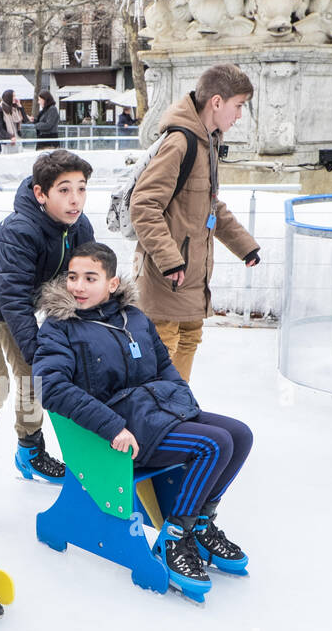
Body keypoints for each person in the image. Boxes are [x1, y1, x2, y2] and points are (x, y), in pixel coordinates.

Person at [33, 243, 253, 599]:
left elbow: (164, 366)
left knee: (239, 435)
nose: (78, 286)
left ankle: (200, 523)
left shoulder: (133, 318)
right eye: (72, 277)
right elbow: (51, 388)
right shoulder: (60, 328)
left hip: (156, 413)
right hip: (116, 433)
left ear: (112, 283)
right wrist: (112, 427)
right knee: (214, 445)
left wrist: (183, 403)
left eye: (90, 278)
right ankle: (175, 538)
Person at [0, 149, 95, 503]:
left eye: (81, 188)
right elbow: (12, 298)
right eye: (64, 190)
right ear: (40, 193)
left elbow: (86, 282)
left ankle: (30, 450)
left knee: (33, 374)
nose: (75, 199)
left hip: (18, 303)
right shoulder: (22, 229)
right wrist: (39, 351)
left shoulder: (80, 227)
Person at [129, 64, 260, 382]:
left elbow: (209, 205)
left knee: (189, 338)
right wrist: (170, 260)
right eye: (238, 106)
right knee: (164, 345)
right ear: (217, 102)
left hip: (191, 272)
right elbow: (144, 205)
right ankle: (158, 415)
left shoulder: (208, 143)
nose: (239, 115)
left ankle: (176, 409)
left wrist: (245, 246)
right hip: (168, 274)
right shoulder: (181, 143)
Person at [0, 88, 25, 153]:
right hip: (8, 141)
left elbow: (25, 120)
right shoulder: (0, 111)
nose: (15, 98)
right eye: (13, 96)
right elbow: (0, 128)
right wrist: (10, 137)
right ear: (8, 97)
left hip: (17, 139)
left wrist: (20, 107)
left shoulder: (15, 109)